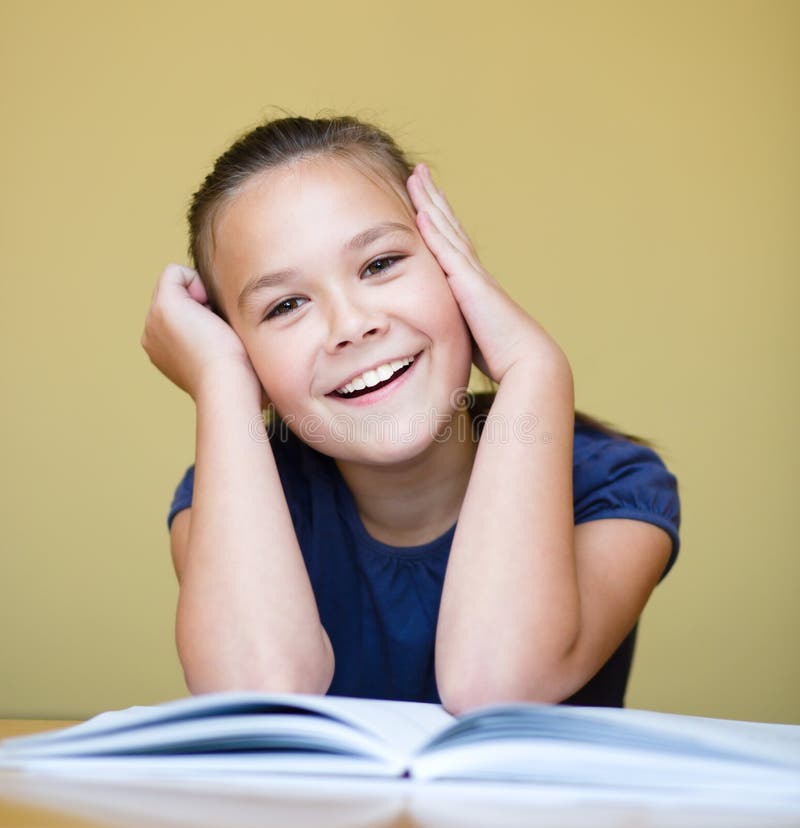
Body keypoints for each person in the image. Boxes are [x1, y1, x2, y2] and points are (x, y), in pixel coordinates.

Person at [141, 115, 680, 714]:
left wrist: (534, 367)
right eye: (286, 305)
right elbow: (259, 698)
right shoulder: (227, 503)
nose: (352, 326)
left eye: (379, 264)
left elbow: (494, 687)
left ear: (455, 267)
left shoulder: (614, 488)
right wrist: (220, 382)